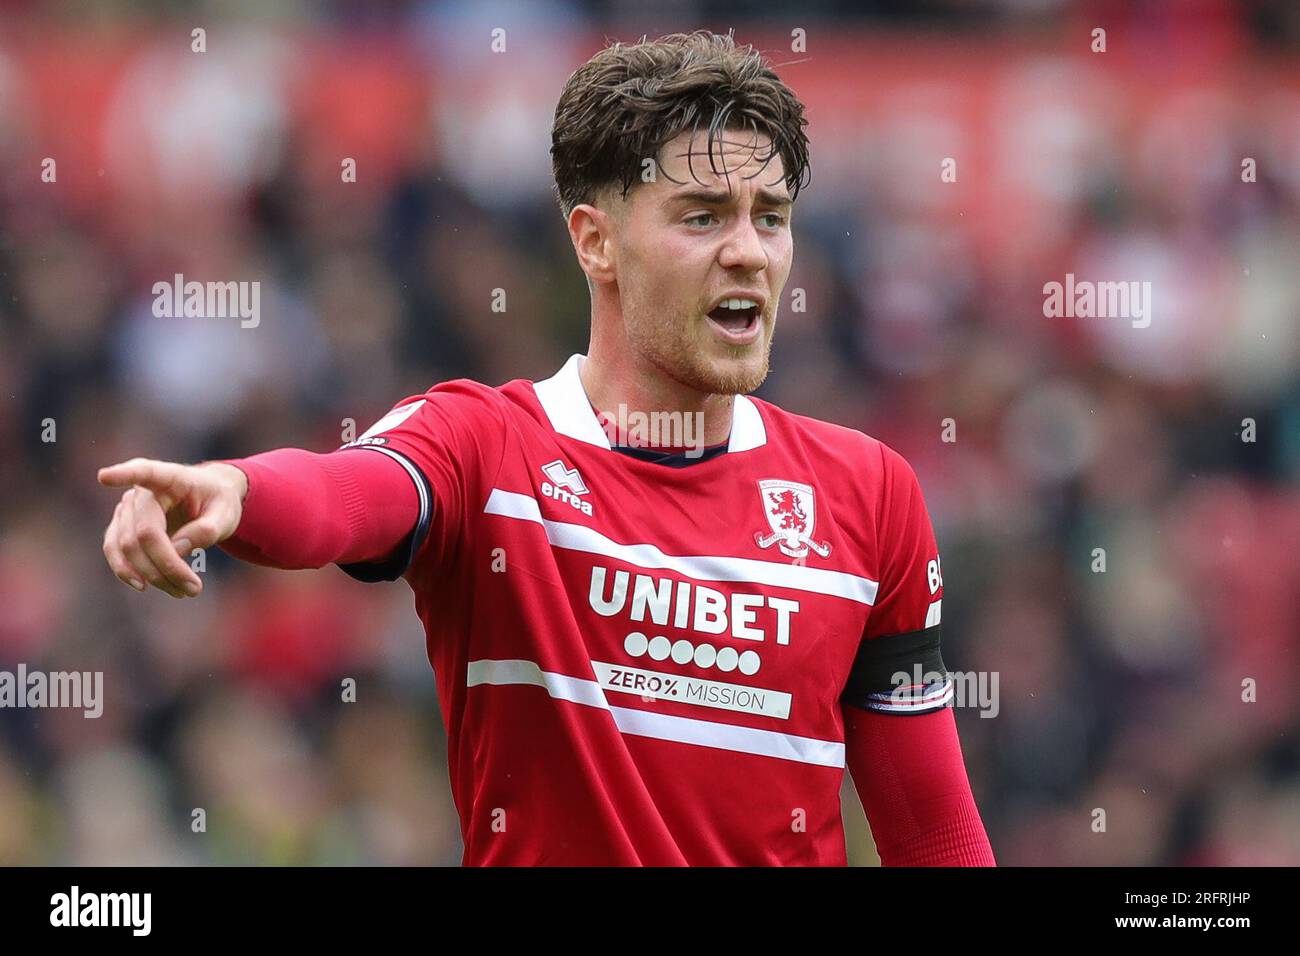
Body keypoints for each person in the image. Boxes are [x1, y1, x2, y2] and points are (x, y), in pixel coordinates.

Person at [98, 31, 995, 866]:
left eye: (771, 215)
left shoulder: (869, 494)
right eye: (702, 216)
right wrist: (233, 489)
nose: (749, 253)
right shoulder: (489, 448)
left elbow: (933, 830)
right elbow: (346, 496)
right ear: (595, 242)